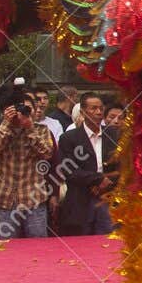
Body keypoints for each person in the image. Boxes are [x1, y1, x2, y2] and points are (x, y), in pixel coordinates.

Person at [0, 85, 55, 238]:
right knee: (9, 248)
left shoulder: (41, 129)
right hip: (5, 197)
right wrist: (7, 125)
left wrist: (29, 128)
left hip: (34, 196)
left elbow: (47, 153)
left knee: (38, 245)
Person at [55, 92, 119, 236]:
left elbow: (123, 167)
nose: (98, 112)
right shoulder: (69, 138)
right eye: (93, 108)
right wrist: (98, 179)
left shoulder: (114, 135)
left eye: (101, 109)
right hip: (80, 200)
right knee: (81, 246)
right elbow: (68, 171)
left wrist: (108, 181)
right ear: (83, 112)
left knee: (109, 243)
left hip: (108, 198)